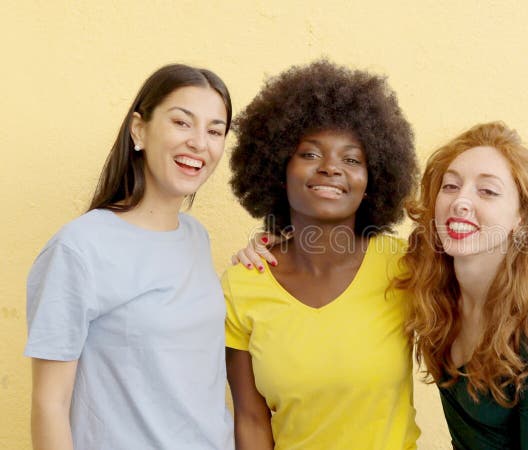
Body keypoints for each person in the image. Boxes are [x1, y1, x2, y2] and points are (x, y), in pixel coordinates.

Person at [24, 64, 234, 450]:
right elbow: (49, 403)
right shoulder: (79, 247)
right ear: (139, 129)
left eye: (215, 131)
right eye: (182, 123)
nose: (200, 143)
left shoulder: (196, 238)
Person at [223, 59, 420, 449]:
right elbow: (251, 421)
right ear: (278, 167)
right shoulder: (244, 283)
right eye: (310, 154)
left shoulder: (405, 266)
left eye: (352, 159)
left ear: (373, 180)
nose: (331, 168)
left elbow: (486, 324)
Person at [396, 121, 528, 449]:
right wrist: (283, 241)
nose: (461, 201)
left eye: (487, 191)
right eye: (450, 186)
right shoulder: (434, 290)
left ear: (521, 217)